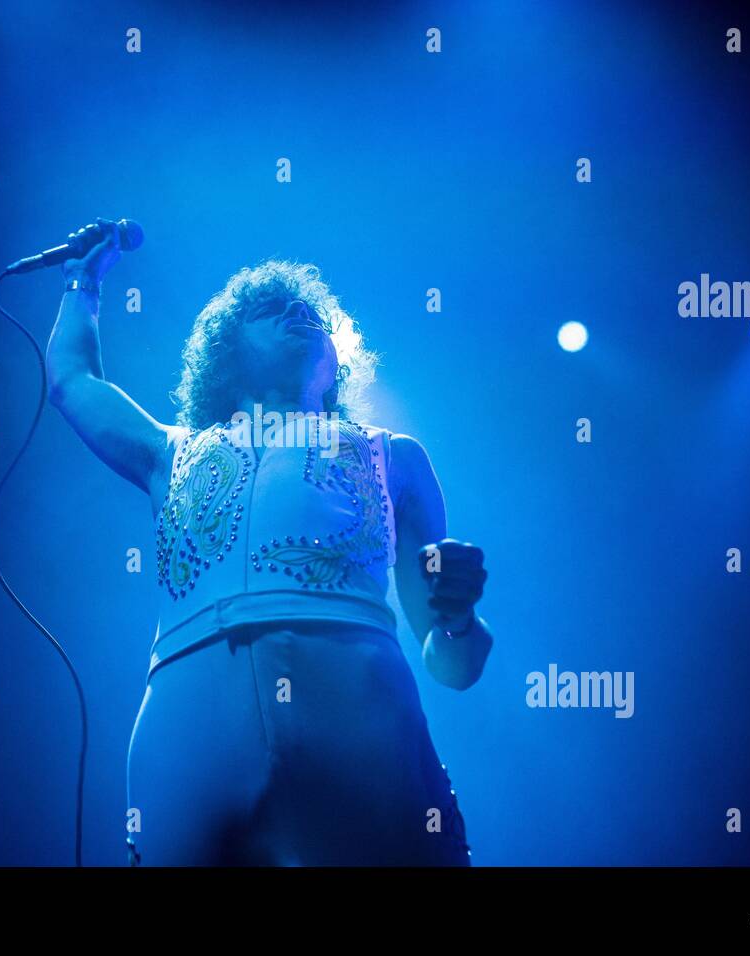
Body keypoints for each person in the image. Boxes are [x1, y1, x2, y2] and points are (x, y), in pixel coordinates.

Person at [47, 220, 492, 865]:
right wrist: (80, 280)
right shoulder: (168, 453)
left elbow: (452, 667)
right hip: (189, 730)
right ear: (226, 348)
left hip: (359, 716)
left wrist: (459, 617)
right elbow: (72, 383)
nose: (296, 314)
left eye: (308, 310)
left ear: (338, 358)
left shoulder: (392, 458)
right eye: (271, 308)